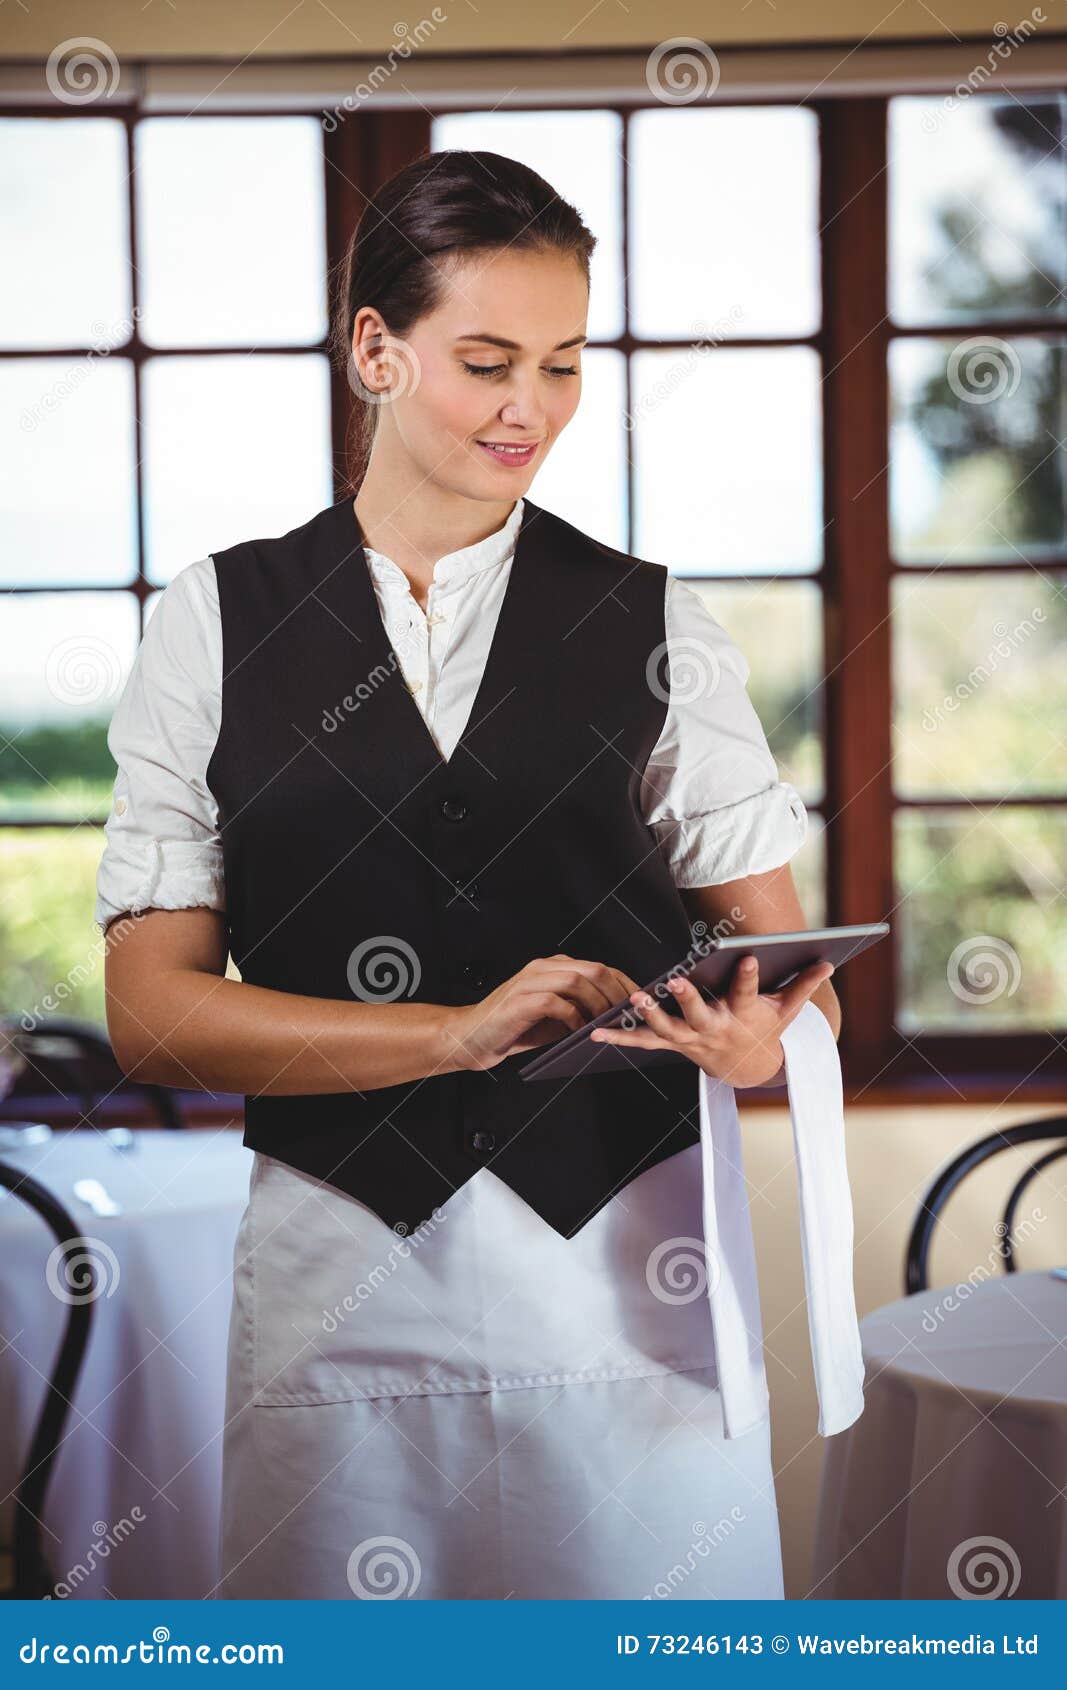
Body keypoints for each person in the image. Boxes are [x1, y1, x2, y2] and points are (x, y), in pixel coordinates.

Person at [96, 149, 862, 1602]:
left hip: (629, 1287)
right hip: (336, 1283)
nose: (532, 409)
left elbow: (793, 983)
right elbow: (153, 1010)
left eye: (566, 364)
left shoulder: (658, 623)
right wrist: (445, 1035)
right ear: (375, 349)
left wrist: (767, 1038)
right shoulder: (214, 623)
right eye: (488, 360)